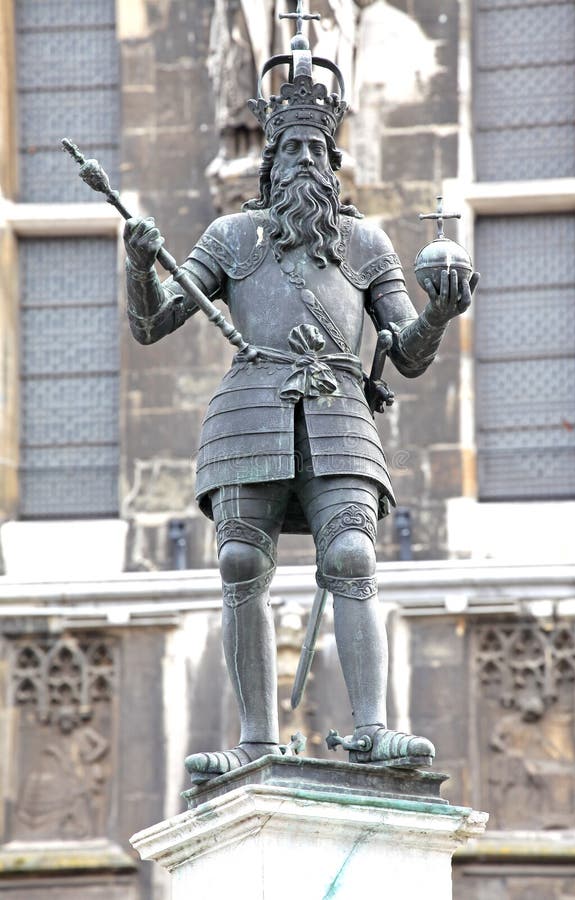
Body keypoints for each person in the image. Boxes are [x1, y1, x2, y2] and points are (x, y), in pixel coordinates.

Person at [123, 21, 478, 779]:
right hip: (247, 413)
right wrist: (137, 263)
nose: (304, 159)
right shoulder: (231, 238)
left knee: (350, 553)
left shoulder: (369, 246)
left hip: (342, 415)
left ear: (333, 165)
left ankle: (373, 729)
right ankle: (254, 739)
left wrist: (441, 312)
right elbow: (154, 323)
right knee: (240, 561)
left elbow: (406, 355)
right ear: (271, 163)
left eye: (316, 149)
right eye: (291, 149)